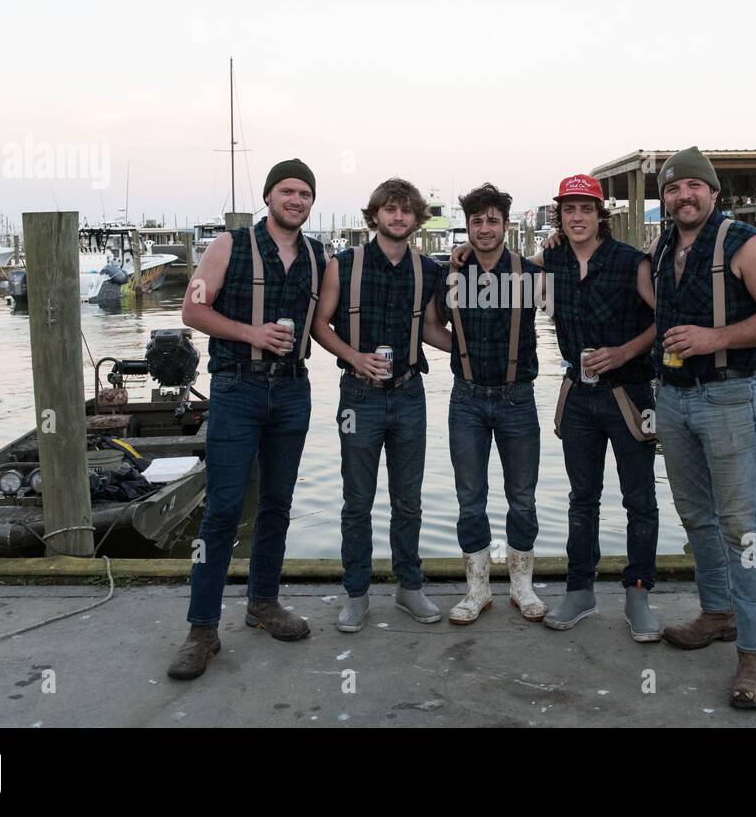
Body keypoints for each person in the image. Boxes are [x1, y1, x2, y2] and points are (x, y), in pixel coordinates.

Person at [651, 146, 756, 709]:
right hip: (673, 399)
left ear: (714, 192)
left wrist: (715, 338)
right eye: (672, 188)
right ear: (664, 199)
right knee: (696, 517)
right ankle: (716, 614)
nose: (683, 195)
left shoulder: (746, 244)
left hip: (729, 398)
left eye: (693, 186)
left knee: (743, 528)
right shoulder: (665, 245)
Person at [168, 159, 325, 680]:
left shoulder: (318, 257)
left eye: (304, 193)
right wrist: (251, 334)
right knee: (222, 509)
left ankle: (263, 603)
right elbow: (193, 312)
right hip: (236, 388)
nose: (296, 199)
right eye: (287, 190)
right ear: (268, 196)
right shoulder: (228, 246)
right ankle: (201, 628)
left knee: (277, 504)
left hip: (293, 390)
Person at [312, 177, 453, 632]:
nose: (398, 217)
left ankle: (409, 587)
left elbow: (430, 328)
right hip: (359, 397)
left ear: (416, 219)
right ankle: (356, 594)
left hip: (410, 394)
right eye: (389, 210)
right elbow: (319, 325)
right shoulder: (344, 264)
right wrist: (353, 357)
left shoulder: (428, 269)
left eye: (406, 211)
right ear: (375, 215)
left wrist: (473, 350)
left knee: (408, 501)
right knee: (357, 502)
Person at [537, 174, 661, 641]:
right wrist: (466, 253)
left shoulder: (633, 262)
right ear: (560, 215)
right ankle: (579, 589)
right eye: (569, 209)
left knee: (639, 499)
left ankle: (638, 593)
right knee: (581, 499)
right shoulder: (551, 260)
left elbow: (663, 318)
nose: (577, 216)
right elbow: (505, 273)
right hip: (577, 395)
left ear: (599, 214)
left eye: (586, 208)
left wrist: (625, 352)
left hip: (629, 394)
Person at [438, 184, 546, 625]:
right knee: (470, 498)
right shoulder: (448, 274)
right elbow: (427, 324)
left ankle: (521, 586)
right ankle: (478, 588)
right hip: (466, 398)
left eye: (492, 220)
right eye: (476, 221)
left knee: (522, 496)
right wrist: (460, 349)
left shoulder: (533, 274)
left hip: (517, 397)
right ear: (467, 226)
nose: (484, 228)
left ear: (507, 224)